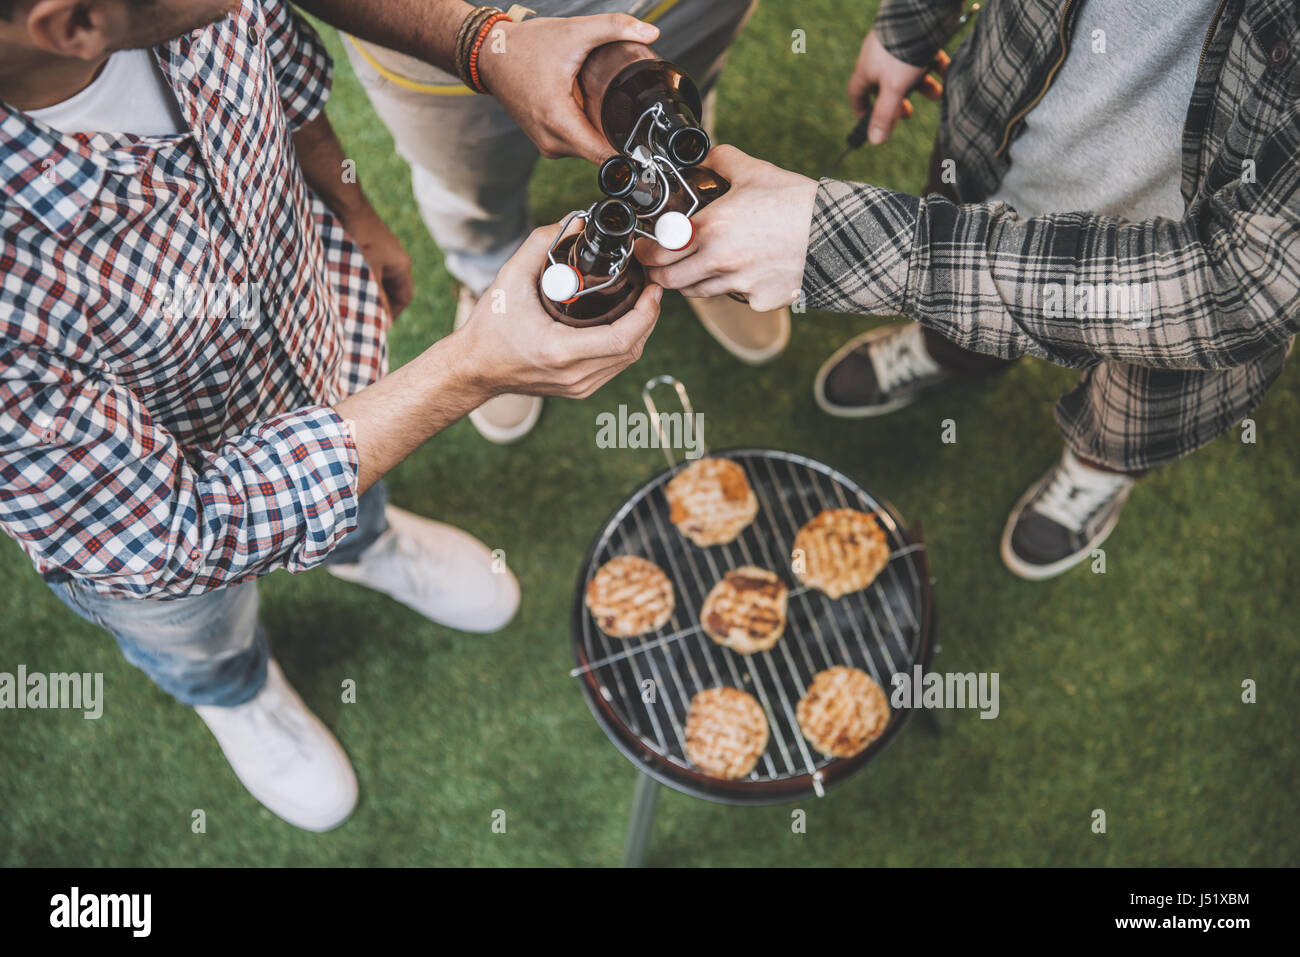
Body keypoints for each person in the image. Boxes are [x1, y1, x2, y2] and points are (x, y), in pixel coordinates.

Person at [0, 0, 659, 831]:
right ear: (73, 26)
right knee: (196, 627)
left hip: (314, 344)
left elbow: (281, 72)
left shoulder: (171, 9)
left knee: (357, 479)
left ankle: (366, 542)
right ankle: (238, 692)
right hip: (156, 537)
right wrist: (476, 365)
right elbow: (172, 537)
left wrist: (352, 209)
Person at [640, 0, 1299, 580]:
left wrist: (843, 248)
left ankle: (1097, 468)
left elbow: (1240, 284)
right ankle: (950, 354)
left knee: (1136, 406)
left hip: (1175, 283)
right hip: (1005, 122)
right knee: (960, 306)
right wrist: (912, 23)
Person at [294, 0, 790, 445]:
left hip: (680, 11)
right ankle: (492, 282)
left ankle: (700, 241)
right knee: (472, 188)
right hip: (438, 30)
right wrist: (480, 45)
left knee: (678, 133)